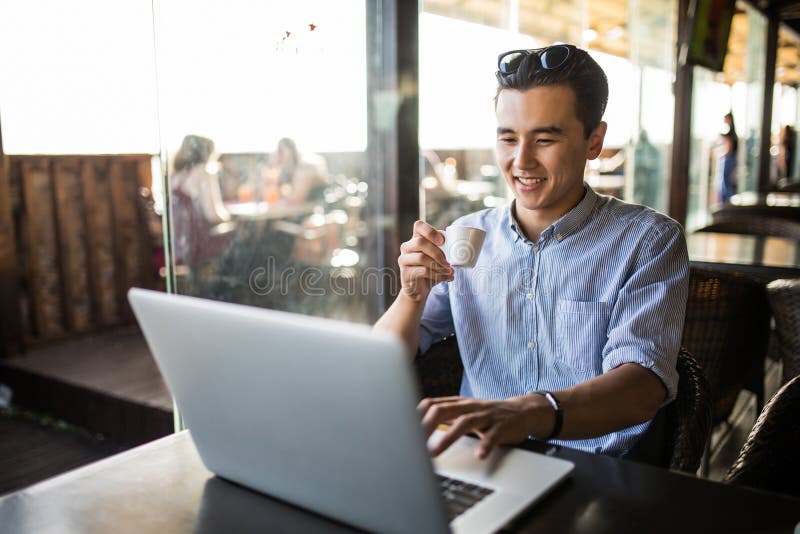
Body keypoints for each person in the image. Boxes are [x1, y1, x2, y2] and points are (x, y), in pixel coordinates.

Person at [374, 44, 689, 460]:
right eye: (508, 138)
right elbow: (381, 363)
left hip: (596, 468)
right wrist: (411, 295)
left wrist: (528, 412)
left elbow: (642, 387)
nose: (521, 161)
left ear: (594, 141)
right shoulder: (467, 236)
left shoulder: (648, 241)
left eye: (544, 139)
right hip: (481, 455)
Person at [170, 134, 233, 291]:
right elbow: (212, 214)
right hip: (201, 243)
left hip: (180, 245)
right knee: (244, 239)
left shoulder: (175, 176)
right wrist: (230, 217)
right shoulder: (204, 173)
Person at [262, 137, 327, 204]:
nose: (276, 155)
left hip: (316, 212)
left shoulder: (305, 168)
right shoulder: (286, 170)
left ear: (292, 151)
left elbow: (296, 199)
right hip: (301, 211)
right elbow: (267, 197)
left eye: (280, 150)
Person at [715, 114, 738, 203]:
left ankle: (726, 204)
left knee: (725, 184)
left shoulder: (730, 134)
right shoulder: (732, 133)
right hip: (731, 160)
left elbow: (729, 149)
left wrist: (721, 155)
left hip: (729, 160)